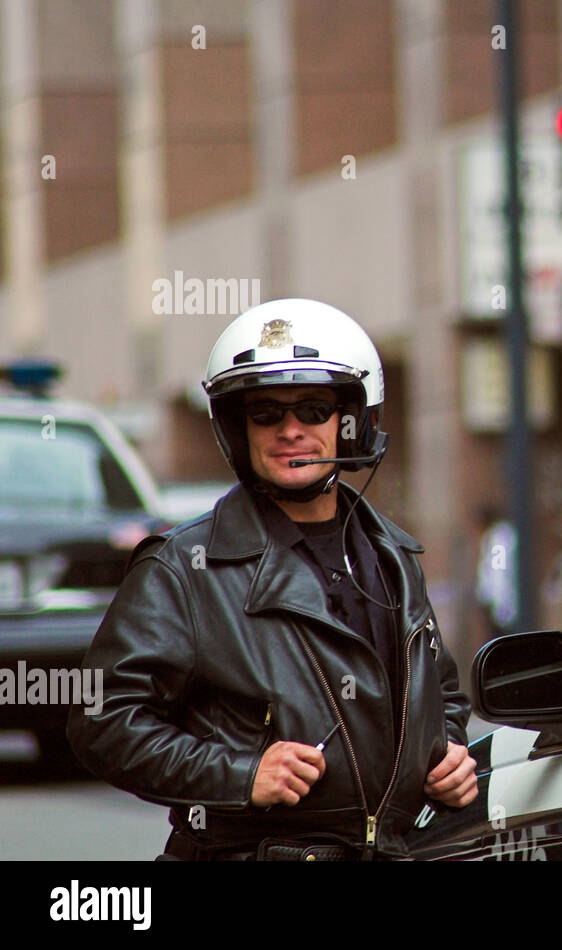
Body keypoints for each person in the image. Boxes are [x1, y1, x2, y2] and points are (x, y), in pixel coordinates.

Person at [67, 298, 476, 861]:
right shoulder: (184, 567)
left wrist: (449, 751)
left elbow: (442, 693)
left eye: (313, 409)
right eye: (266, 414)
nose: (291, 431)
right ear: (240, 429)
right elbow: (102, 719)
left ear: (350, 423)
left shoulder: (392, 557)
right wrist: (240, 774)